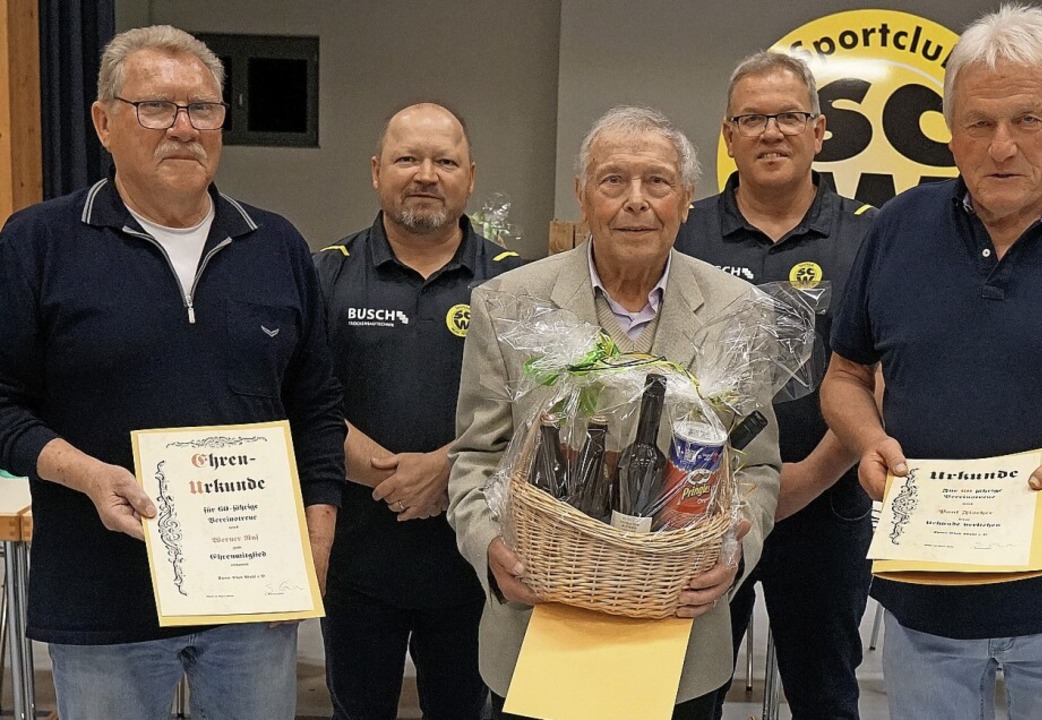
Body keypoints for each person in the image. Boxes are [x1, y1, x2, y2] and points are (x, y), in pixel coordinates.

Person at [820, 5, 1042, 719]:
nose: (1000, 146)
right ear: (949, 130)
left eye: (1027, 120)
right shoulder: (895, 231)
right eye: (977, 122)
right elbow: (844, 377)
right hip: (923, 605)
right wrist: (866, 439)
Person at [0, 25, 345, 719]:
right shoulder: (39, 242)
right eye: (155, 107)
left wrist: (317, 533)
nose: (183, 128)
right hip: (103, 601)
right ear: (103, 121)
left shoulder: (274, 244)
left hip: (251, 598)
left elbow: (316, 407)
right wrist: (88, 475)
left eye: (203, 109)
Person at [446, 105, 781, 720]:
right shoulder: (507, 304)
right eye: (612, 181)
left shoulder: (740, 312)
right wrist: (490, 546)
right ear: (582, 195)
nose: (636, 201)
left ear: (686, 198)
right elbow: (474, 459)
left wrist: (738, 549)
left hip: (679, 635)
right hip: (540, 623)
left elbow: (757, 471)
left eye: (656, 181)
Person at [676, 50, 875, 720]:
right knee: (686, 691)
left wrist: (808, 476)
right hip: (699, 510)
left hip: (825, 503)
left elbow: (881, 373)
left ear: (819, 130)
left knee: (824, 695)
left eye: (788, 116)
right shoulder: (683, 232)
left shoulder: (868, 237)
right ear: (727, 135)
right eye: (751, 118)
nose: (770, 132)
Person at [314, 102, 522, 720]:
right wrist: (391, 476)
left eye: (445, 161)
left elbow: (538, 408)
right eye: (408, 159)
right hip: (356, 560)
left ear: (471, 176)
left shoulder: (515, 284)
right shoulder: (326, 273)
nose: (426, 174)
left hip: (472, 561)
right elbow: (302, 398)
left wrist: (446, 470)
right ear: (377, 171)